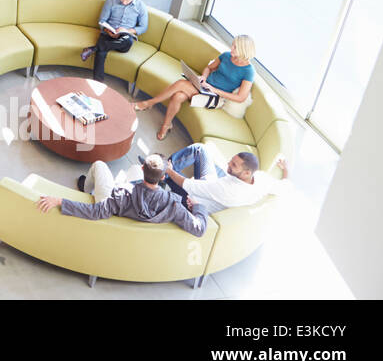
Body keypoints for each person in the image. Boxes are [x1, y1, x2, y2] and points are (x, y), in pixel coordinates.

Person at [36, 153, 209, 237]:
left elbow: (96, 212)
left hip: (121, 203)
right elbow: (199, 229)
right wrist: (198, 206)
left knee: (99, 165)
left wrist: (60, 201)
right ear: (164, 177)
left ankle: (86, 188)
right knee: (130, 170)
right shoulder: (172, 205)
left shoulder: (121, 194)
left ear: (144, 170)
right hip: (137, 206)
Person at [134, 34, 256, 140]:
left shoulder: (248, 71)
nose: (231, 48)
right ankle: (166, 125)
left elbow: (240, 98)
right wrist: (203, 76)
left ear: (243, 50)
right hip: (204, 86)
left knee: (181, 84)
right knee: (178, 96)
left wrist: (214, 90)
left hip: (215, 97)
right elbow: (209, 68)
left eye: (235, 47)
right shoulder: (226, 55)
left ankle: (148, 103)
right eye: (232, 45)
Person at [162, 144, 289, 212]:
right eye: (231, 161)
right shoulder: (262, 179)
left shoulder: (228, 189)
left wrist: (169, 169)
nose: (229, 164)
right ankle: (161, 171)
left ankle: (159, 170)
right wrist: (285, 169)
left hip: (196, 201)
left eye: (233, 165)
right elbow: (284, 187)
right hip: (214, 186)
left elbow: (189, 185)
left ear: (246, 173)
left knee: (173, 177)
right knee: (201, 150)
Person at [78, 0, 148, 83]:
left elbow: (143, 27)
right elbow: (102, 21)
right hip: (108, 33)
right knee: (101, 53)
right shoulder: (111, 1)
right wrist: (108, 30)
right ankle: (98, 82)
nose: (124, 2)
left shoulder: (141, 7)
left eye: (127, 0)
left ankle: (94, 48)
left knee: (128, 42)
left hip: (124, 37)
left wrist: (127, 31)